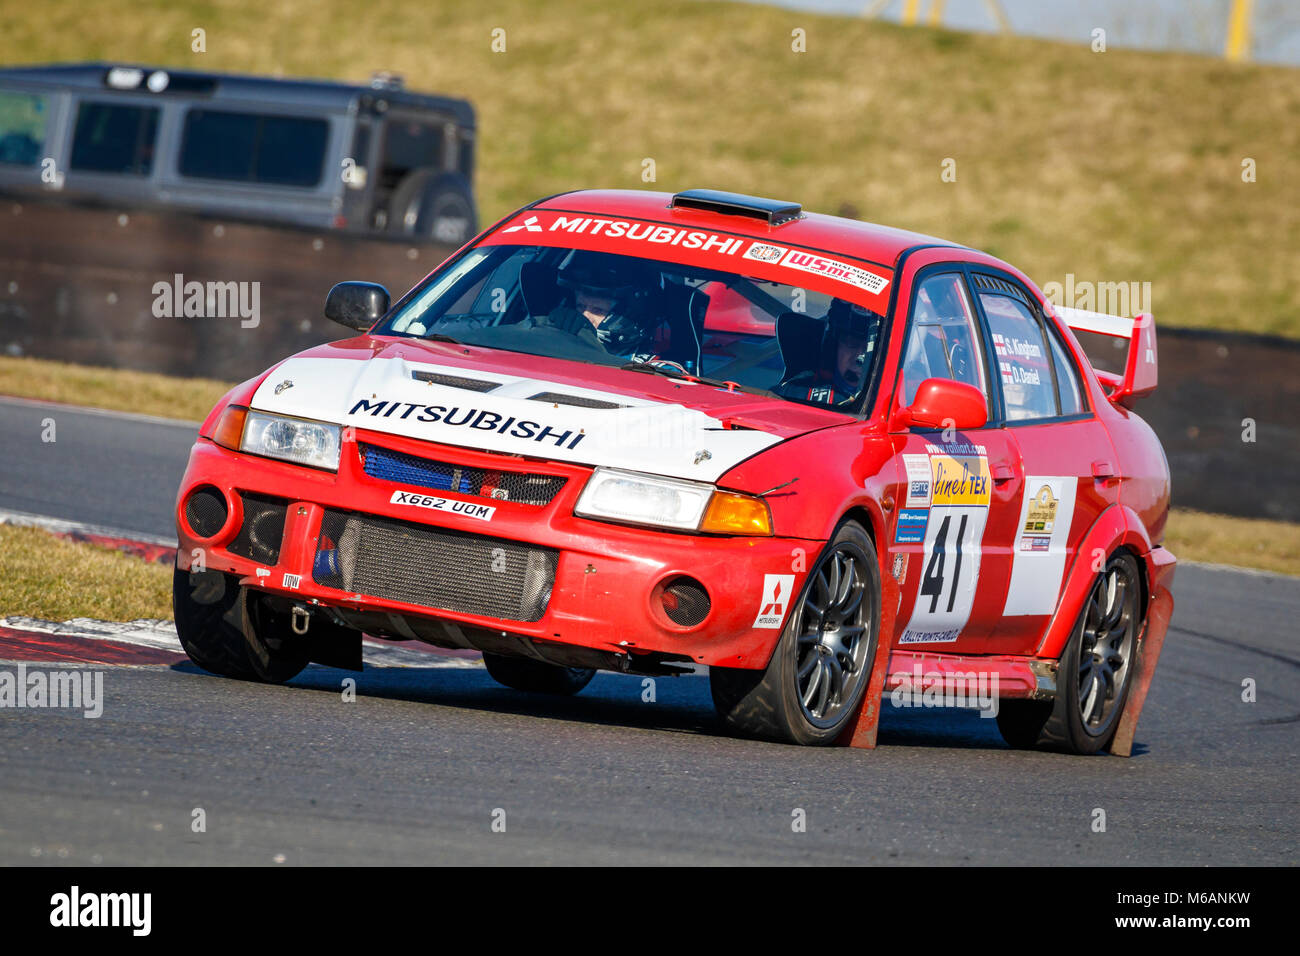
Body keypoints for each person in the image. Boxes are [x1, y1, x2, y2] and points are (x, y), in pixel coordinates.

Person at [531, 251, 661, 358]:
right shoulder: (547, 347)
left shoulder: (651, 371)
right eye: (580, 307)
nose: (585, 317)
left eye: (598, 311)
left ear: (626, 317)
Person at [776, 298, 883, 405]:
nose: (861, 358)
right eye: (852, 344)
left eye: (871, 349)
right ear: (833, 346)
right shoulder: (794, 393)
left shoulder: (891, 406)